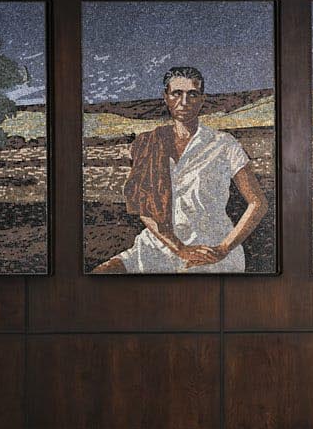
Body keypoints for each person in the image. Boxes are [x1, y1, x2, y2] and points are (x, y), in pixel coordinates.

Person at [95, 66, 267, 274]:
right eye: (177, 93)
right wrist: (179, 248)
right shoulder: (148, 142)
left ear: (202, 99)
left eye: (192, 94)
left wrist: (224, 248)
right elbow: (144, 206)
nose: (184, 102)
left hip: (209, 249)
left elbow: (257, 203)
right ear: (165, 97)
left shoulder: (224, 144)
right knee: (101, 274)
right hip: (158, 244)